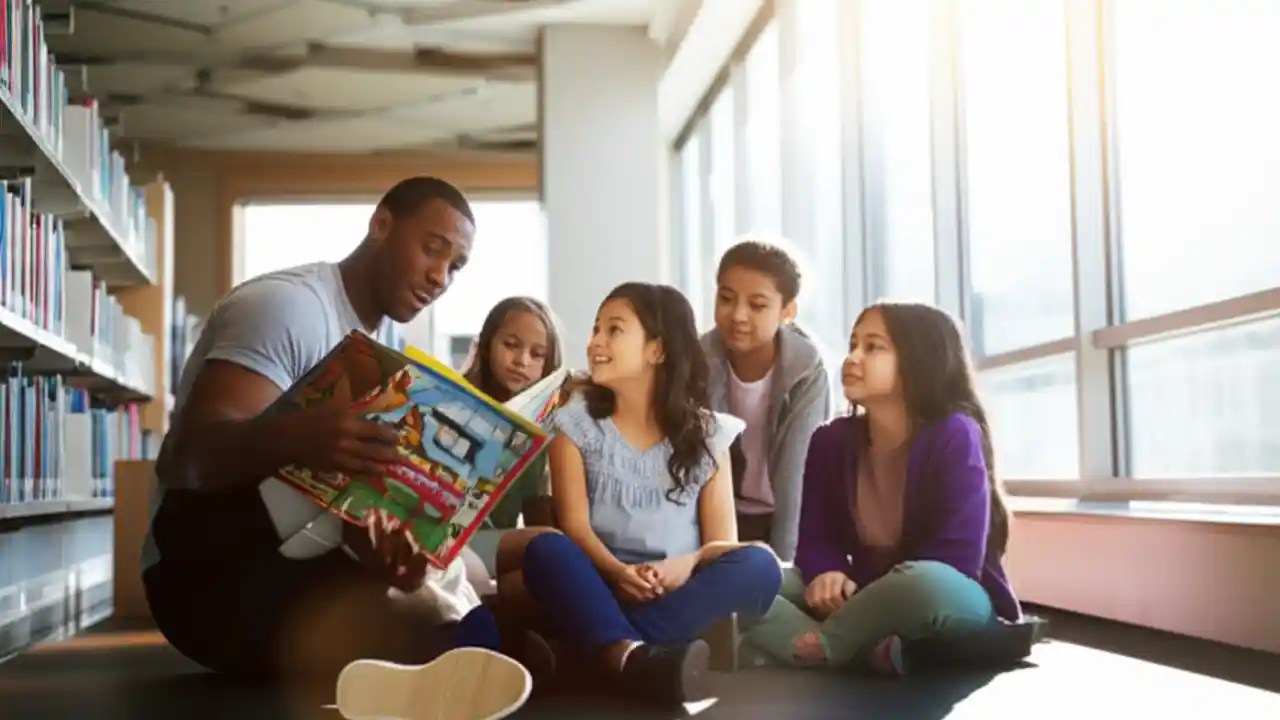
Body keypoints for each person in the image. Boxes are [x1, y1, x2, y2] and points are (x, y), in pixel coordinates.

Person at [140, 177, 530, 719]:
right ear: (382, 224)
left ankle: (466, 660)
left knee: (426, 580)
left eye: (456, 266)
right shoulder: (287, 307)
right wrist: (305, 434)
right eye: (433, 249)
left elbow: (346, 515)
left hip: (283, 581)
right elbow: (186, 460)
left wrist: (389, 556)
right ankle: (472, 655)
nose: (440, 276)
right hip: (198, 581)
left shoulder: (382, 350)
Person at [504, 282, 783, 704]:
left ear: (657, 349)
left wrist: (683, 565)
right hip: (599, 582)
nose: (595, 342)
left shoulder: (709, 435)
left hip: (674, 591)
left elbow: (721, 546)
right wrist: (618, 573)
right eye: (596, 329)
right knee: (547, 549)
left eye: (613, 330)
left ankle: (604, 652)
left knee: (761, 564)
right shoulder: (574, 426)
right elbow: (576, 529)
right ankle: (637, 656)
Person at [744, 302, 1039, 675]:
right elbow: (815, 540)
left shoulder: (954, 433)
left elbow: (954, 561)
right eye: (853, 344)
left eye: (873, 347)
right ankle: (866, 651)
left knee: (925, 583)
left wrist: (863, 602)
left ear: (918, 360)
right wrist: (826, 573)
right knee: (741, 582)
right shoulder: (830, 441)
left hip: (947, 599)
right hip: (861, 594)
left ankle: (830, 644)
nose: (852, 357)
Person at [702, 239, 832, 561]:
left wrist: (784, 565)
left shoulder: (806, 371)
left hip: (786, 519)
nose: (738, 315)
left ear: (787, 311)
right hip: (717, 517)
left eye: (757, 305)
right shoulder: (698, 360)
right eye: (726, 298)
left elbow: (796, 474)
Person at [457, 297, 564, 592]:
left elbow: (537, 519)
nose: (522, 361)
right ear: (488, 343)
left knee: (549, 552)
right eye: (511, 345)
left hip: (494, 546)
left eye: (538, 354)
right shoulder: (453, 403)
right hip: (442, 539)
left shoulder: (542, 429)